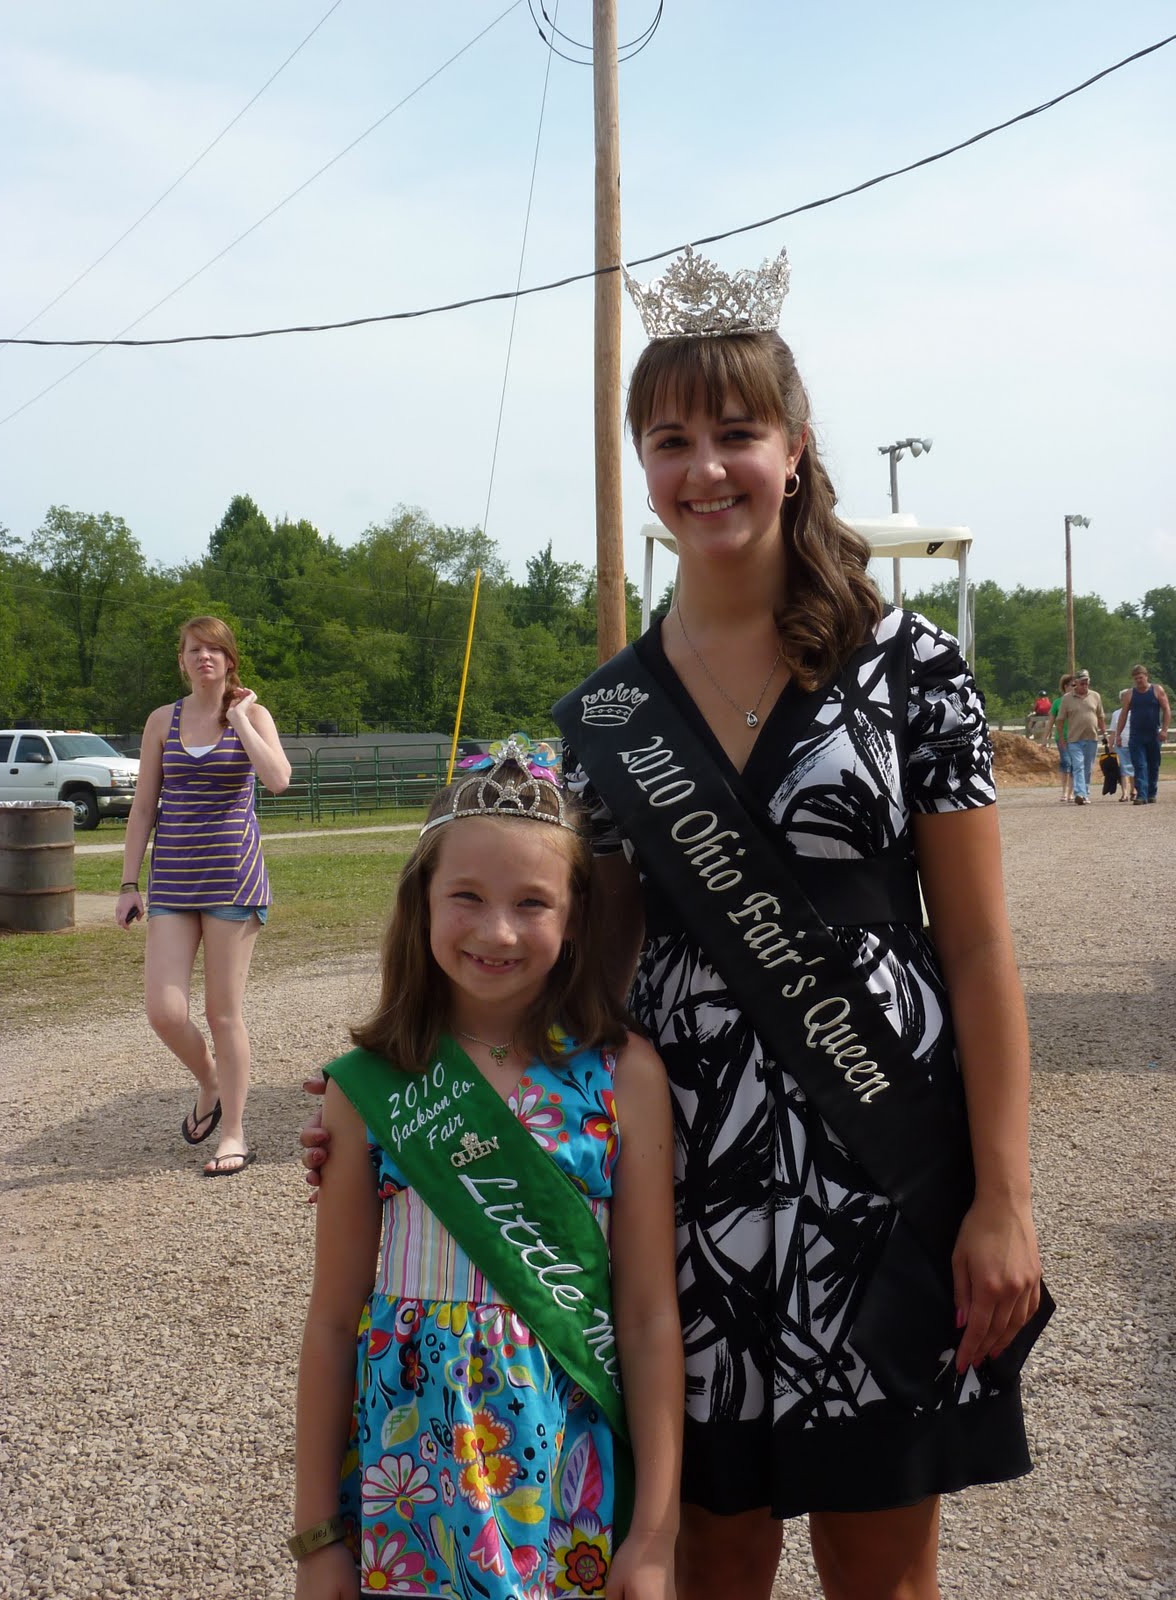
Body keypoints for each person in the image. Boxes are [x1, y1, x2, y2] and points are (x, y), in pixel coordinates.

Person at [303, 256, 1047, 1600]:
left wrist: (1004, 1196)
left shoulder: (913, 670)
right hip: (682, 1196)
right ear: (642, 461)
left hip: (883, 1182)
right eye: (671, 441)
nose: (706, 470)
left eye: (736, 435)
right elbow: (555, 974)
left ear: (797, 448)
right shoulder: (603, 726)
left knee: (885, 1564)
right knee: (708, 1560)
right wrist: (397, 1096)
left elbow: (983, 950)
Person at [292, 740, 684, 1600]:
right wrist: (319, 1540)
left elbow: (651, 1317)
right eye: (465, 896)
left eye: (531, 903)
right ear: (419, 903)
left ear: (576, 917)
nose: (496, 930)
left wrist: (654, 1538)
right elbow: (331, 1322)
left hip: (563, 1478)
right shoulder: (368, 1087)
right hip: (410, 1482)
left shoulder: (626, 1078)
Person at [116, 615, 290, 1176]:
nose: (203, 658)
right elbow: (143, 807)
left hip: (233, 881)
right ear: (183, 660)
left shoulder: (252, 715)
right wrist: (127, 884)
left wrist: (238, 718)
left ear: (229, 659)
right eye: (194, 649)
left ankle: (234, 1133)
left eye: (214, 649)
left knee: (223, 1013)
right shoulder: (160, 721)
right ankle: (210, 1079)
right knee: (164, 1012)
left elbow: (278, 780)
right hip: (172, 882)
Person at [1050, 670, 1106, 806]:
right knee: (1078, 766)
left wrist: (1104, 733)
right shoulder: (1067, 699)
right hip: (1074, 739)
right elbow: (1060, 719)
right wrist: (1061, 739)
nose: (1084, 685)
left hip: (1091, 737)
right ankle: (1079, 794)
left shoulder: (1095, 696)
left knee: (1087, 767)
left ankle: (1085, 793)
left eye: (1087, 682)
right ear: (1076, 683)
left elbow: (1100, 716)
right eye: (1082, 682)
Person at [1118, 663, 1170, 804]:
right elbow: (1123, 715)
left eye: (1140, 677)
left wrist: (1164, 730)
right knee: (1139, 764)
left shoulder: (1157, 690)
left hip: (1153, 734)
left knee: (1153, 765)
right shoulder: (1130, 694)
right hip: (1136, 736)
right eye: (1136, 678)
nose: (1138, 680)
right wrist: (1118, 734)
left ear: (1146, 676)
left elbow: (1166, 709)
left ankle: (1151, 792)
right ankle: (1141, 795)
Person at [1047, 673, 1074, 801]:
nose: (1073, 688)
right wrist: (1044, 738)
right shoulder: (1058, 702)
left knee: (1075, 764)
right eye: (1071, 685)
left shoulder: (1077, 701)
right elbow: (1051, 720)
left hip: (1076, 736)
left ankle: (1071, 792)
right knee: (1066, 763)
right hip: (1062, 737)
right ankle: (1064, 791)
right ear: (1065, 686)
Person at [1108, 699, 1135, 803]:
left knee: (1134, 768)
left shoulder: (1136, 712)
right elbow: (1113, 731)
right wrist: (1110, 746)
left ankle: (1133, 790)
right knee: (1123, 769)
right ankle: (1124, 793)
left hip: (1134, 744)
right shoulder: (1116, 713)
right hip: (1120, 744)